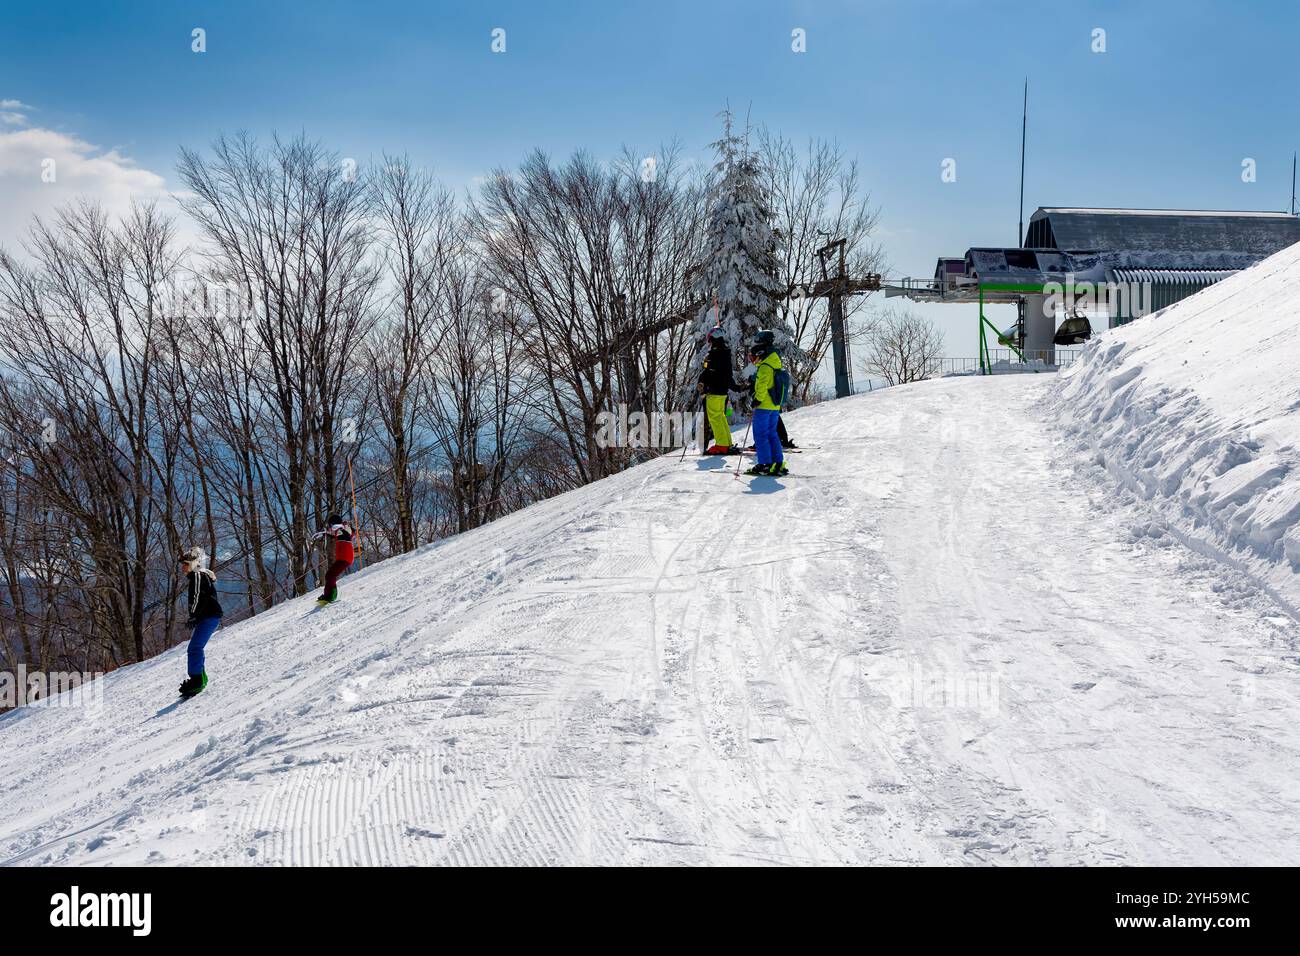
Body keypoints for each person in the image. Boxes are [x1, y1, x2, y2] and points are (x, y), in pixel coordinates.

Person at [178, 546, 223, 699]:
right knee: (196, 647)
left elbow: (197, 596)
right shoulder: (200, 575)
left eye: (185, 564)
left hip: (209, 616)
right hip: (209, 616)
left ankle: (197, 681)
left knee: (195, 648)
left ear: (193, 563)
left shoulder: (197, 575)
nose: (183, 567)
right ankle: (200, 679)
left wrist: (193, 615)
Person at [744, 330, 789, 477]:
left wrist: (757, 399)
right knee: (772, 434)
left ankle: (765, 463)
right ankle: (777, 462)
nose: (754, 359)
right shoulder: (774, 362)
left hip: (764, 406)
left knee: (761, 435)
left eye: (754, 356)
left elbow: (762, 385)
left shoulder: (764, 367)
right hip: (775, 406)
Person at [697, 326, 746, 454]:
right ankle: (727, 443)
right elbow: (727, 375)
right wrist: (734, 387)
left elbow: (708, 372)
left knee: (715, 418)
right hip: (722, 392)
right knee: (721, 417)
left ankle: (722, 445)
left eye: (710, 340)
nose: (709, 343)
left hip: (713, 391)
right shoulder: (725, 354)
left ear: (713, 339)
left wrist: (703, 385)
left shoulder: (713, 355)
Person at [314, 513, 355, 605]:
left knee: (330, 575)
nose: (330, 528)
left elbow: (336, 529)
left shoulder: (340, 529)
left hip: (344, 558)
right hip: (344, 557)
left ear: (333, 524)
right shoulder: (341, 531)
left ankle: (329, 595)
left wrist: (338, 527)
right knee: (330, 575)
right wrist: (324, 533)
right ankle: (330, 594)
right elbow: (350, 532)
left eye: (330, 525)